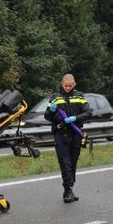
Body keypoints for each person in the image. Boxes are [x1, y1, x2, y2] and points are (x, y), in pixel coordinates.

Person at [43, 74, 92, 203]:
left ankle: (70, 187)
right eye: (66, 85)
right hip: (61, 133)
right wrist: (52, 110)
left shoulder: (80, 96)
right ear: (62, 83)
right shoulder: (55, 98)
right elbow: (47, 116)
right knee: (65, 161)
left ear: (74, 84)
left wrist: (76, 118)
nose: (68, 88)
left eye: (70, 86)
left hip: (76, 133)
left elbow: (88, 113)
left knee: (73, 161)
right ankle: (67, 190)